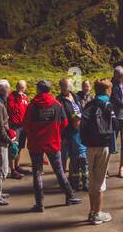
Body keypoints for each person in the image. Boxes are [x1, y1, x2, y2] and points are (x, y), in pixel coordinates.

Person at [21, 80, 81, 212]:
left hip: (35, 143)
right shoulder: (57, 105)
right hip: (53, 142)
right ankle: (69, 196)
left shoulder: (32, 106)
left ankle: (39, 204)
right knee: (59, 170)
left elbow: (25, 124)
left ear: (38, 90)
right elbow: (64, 123)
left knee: (37, 173)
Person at [79, 79, 117, 225]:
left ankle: (91, 211)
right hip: (103, 146)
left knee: (92, 179)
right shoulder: (108, 105)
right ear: (107, 90)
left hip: (89, 146)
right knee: (100, 181)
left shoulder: (89, 104)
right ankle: (98, 214)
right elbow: (115, 125)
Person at [57, 78, 88, 192]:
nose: (67, 88)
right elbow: (61, 118)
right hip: (68, 131)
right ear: (61, 87)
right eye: (64, 86)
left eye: (68, 86)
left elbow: (81, 109)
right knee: (69, 157)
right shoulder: (59, 100)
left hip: (79, 129)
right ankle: (68, 181)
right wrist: (63, 136)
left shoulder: (75, 96)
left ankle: (80, 180)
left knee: (80, 157)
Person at [6, 80, 30, 179]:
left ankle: (17, 166)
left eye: (23, 87)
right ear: (16, 87)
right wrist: (18, 98)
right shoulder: (11, 97)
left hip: (23, 126)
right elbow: (11, 109)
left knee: (20, 147)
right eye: (19, 87)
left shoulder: (26, 97)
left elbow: (28, 109)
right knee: (13, 147)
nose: (21, 89)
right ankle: (12, 170)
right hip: (14, 126)